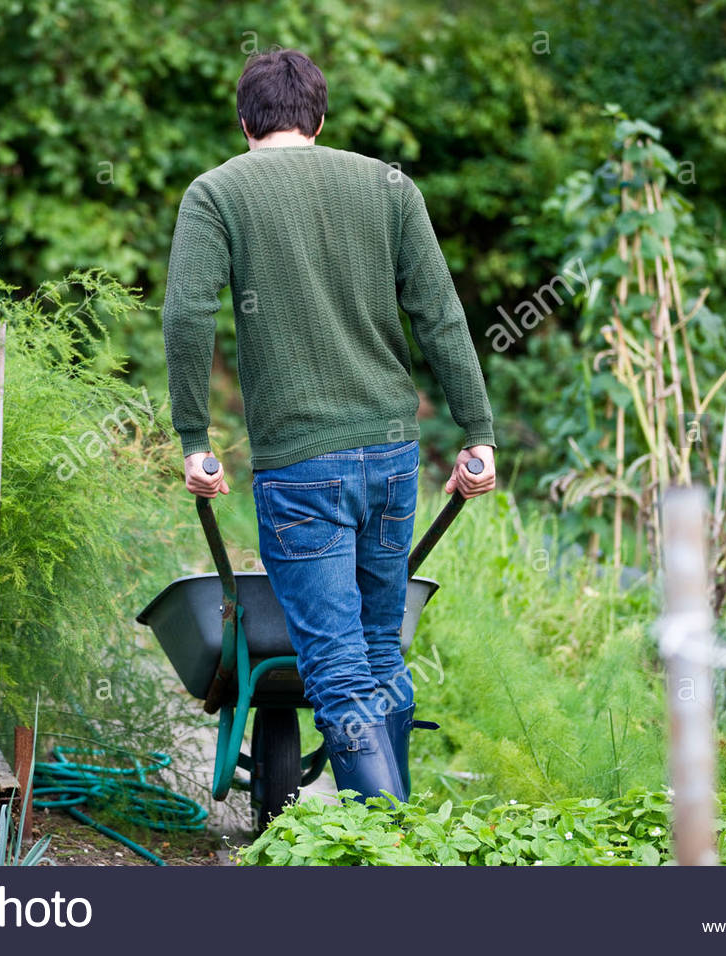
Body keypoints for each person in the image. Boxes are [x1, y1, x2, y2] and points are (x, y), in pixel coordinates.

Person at [162, 48, 496, 803]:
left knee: (340, 671)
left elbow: (187, 316)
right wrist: (477, 431)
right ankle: (405, 837)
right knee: (381, 656)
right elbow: (441, 314)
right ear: (320, 119)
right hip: (389, 458)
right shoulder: (388, 185)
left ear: (244, 120)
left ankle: (384, 855)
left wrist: (194, 439)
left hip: (302, 465)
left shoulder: (216, 192)